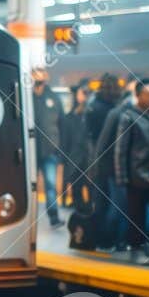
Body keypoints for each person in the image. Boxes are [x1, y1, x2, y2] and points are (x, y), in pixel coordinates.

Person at [112, 79, 149, 265]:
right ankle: (136, 249)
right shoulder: (128, 116)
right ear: (138, 96)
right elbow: (120, 149)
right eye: (148, 94)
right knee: (136, 216)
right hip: (137, 175)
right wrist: (122, 177)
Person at [86, 73, 125, 251]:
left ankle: (99, 239)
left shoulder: (93, 107)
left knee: (101, 202)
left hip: (98, 159)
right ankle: (110, 238)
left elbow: (91, 136)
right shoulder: (116, 109)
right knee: (113, 203)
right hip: (113, 161)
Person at [31, 69, 64, 227]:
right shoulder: (26, 97)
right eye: (34, 74)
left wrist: (59, 148)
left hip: (50, 151)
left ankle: (54, 217)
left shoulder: (54, 98)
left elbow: (61, 124)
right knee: (30, 187)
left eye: (40, 74)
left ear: (46, 77)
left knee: (50, 186)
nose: (38, 78)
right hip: (30, 151)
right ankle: (28, 218)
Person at [60, 82, 92, 210]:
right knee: (79, 184)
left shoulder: (87, 113)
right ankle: (82, 206)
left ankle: (84, 207)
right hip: (78, 156)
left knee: (84, 184)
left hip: (83, 156)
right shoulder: (73, 115)